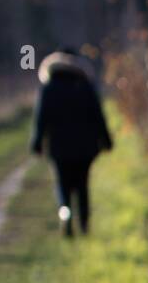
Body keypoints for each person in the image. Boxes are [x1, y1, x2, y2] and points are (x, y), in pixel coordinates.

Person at [30, 47, 113, 236]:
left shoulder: (49, 88)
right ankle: (84, 225)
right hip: (85, 148)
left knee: (63, 185)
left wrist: (37, 143)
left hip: (58, 148)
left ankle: (65, 215)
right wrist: (106, 140)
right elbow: (98, 117)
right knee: (82, 185)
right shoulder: (85, 86)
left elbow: (41, 119)